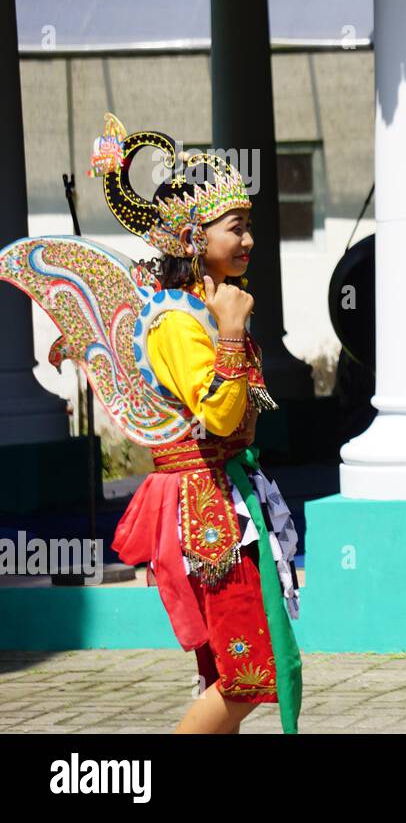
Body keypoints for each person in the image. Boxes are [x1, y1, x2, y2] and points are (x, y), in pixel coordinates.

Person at [1, 114, 301, 734]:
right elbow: (219, 412)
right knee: (248, 677)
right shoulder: (178, 321)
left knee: (230, 674)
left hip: (224, 497)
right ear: (193, 237)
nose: (248, 241)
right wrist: (232, 332)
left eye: (249, 227)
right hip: (208, 511)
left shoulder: (201, 307)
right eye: (235, 228)